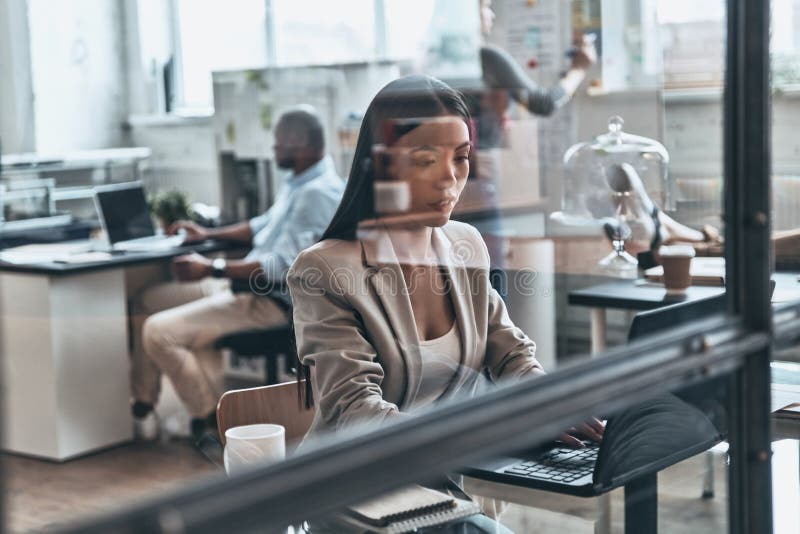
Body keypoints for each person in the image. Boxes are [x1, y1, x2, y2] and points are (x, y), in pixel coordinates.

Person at [287, 75, 603, 447]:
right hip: (361, 482)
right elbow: (356, 412)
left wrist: (548, 404)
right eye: (427, 160)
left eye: (461, 157)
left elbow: (509, 353)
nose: (450, 178)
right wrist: (491, 432)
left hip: (456, 471)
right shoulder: (323, 270)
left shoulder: (464, 243)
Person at [130, 106, 345, 441]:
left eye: (277, 143)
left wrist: (211, 267)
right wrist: (207, 234)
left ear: (298, 143)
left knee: (158, 332)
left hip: (268, 301)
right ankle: (144, 400)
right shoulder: (302, 182)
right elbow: (262, 226)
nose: (272, 149)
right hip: (241, 289)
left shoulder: (317, 195)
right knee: (147, 299)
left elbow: (283, 266)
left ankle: (213, 421)